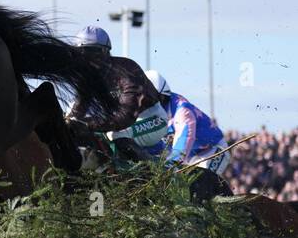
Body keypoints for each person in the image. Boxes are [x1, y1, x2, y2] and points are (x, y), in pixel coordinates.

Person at [66, 26, 166, 156]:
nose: (87, 59)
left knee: (116, 135)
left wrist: (89, 125)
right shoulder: (88, 77)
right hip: (121, 119)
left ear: (105, 53)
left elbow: (126, 116)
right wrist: (68, 122)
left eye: (91, 52)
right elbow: (80, 107)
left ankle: (151, 174)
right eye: (81, 53)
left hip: (152, 119)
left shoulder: (127, 71)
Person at [147, 70, 231, 177]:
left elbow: (183, 143)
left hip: (212, 151)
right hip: (190, 156)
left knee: (200, 182)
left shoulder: (182, 110)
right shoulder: (153, 113)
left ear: (161, 96)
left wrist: (170, 165)